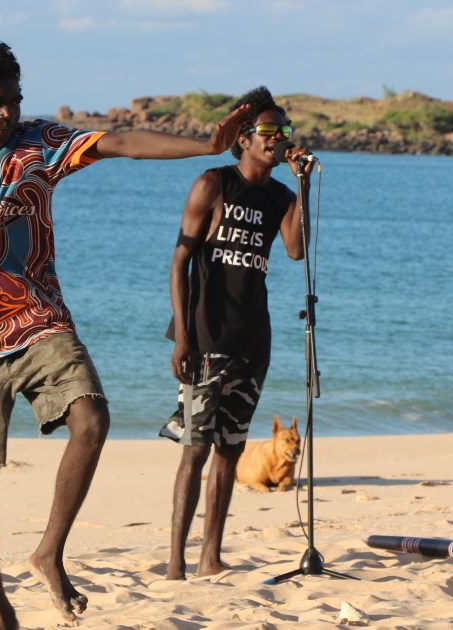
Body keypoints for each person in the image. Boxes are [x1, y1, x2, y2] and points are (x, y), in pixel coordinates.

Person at [0, 30, 250, 628]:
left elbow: (121, 143)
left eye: (15, 99)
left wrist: (204, 145)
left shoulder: (37, 144)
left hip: (40, 319)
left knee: (92, 417)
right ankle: (0, 609)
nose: (9, 112)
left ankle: (49, 551)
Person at [158, 86, 310, 579]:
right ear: (243, 139)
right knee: (195, 450)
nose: (278, 139)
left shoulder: (282, 197)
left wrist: (303, 185)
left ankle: (210, 557)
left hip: (253, 342)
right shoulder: (213, 183)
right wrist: (182, 337)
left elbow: (295, 250)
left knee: (230, 450)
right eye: (267, 132)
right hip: (205, 338)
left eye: (283, 132)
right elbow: (180, 261)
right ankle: (176, 562)